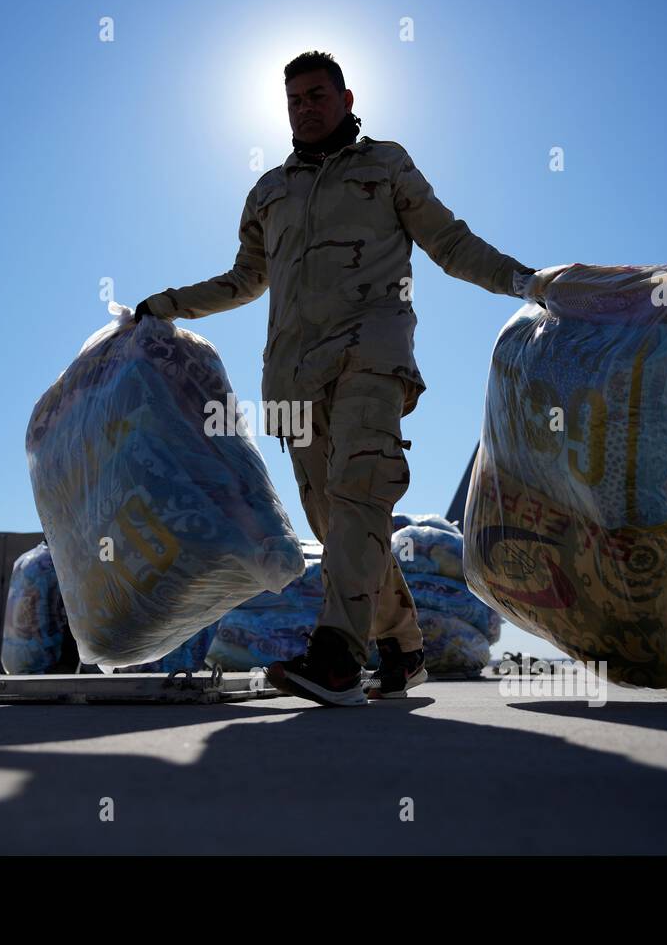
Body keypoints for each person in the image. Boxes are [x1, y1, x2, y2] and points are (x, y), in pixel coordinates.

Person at [136, 51, 541, 706]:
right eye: (295, 99)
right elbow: (244, 279)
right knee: (335, 524)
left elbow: (449, 241)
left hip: (370, 356)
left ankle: (336, 660)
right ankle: (405, 650)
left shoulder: (387, 164)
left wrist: (524, 280)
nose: (306, 107)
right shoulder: (269, 191)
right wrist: (167, 304)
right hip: (291, 381)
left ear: (347, 98)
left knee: (360, 493)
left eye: (318, 94)